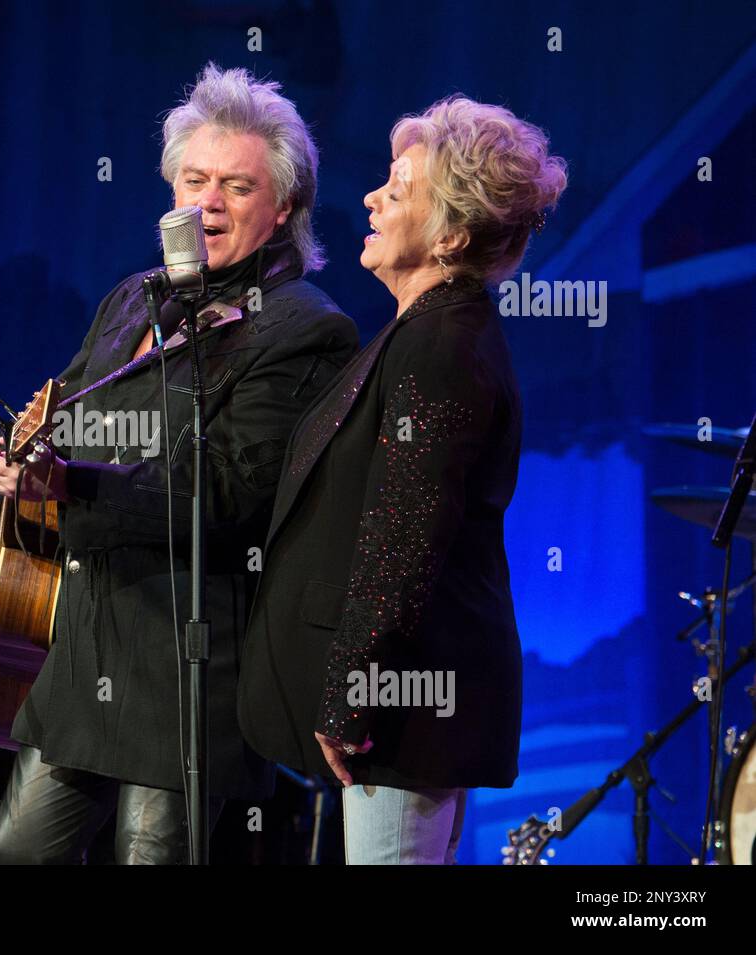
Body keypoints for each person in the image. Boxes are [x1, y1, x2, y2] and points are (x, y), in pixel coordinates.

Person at [0, 63, 358, 864]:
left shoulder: (305, 327)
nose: (207, 202)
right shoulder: (134, 298)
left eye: (236, 187)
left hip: (190, 669)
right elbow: (53, 419)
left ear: (283, 209)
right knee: (13, 855)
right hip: (84, 651)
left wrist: (68, 486)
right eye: (193, 179)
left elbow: (228, 490)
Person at [238, 95, 567, 864]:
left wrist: (354, 694)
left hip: (402, 722)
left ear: (451, 233)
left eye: (399, 185)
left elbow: (404, 540)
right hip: (399, 714)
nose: (372, 197)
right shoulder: (428, 332)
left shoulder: (443, 346)